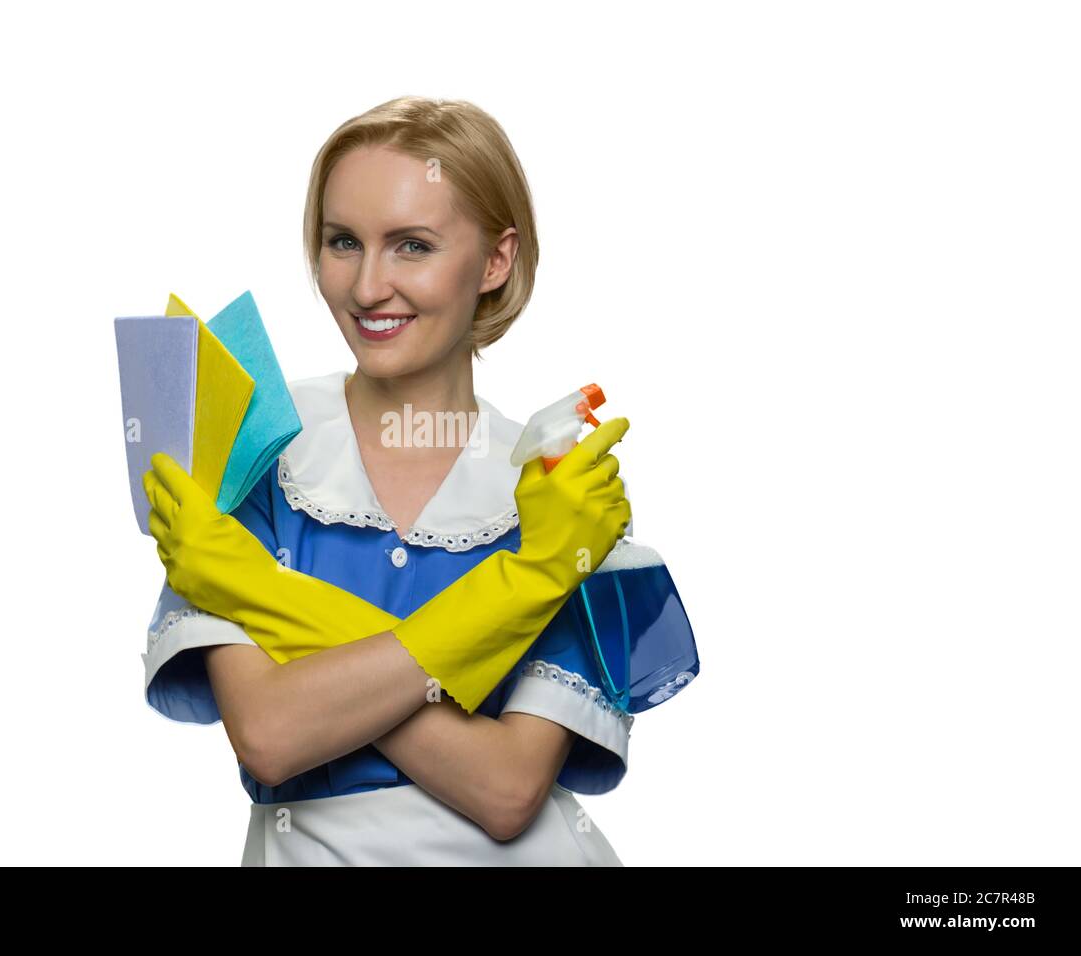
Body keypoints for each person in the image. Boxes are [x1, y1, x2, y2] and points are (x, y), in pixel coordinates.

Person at [139, 96, 697, 865]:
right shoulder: (250, 449)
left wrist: (259, 595)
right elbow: (272, 737)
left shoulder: (558, 495)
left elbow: (506, 792)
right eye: (343, 242)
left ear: (495, 261)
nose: (368, 288)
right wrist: (522, 586)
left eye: (412, 246)